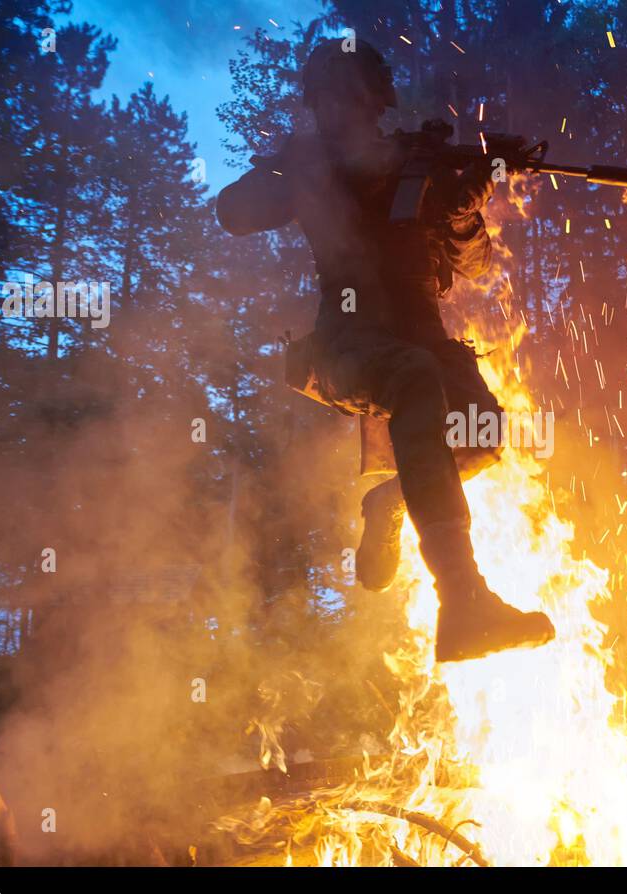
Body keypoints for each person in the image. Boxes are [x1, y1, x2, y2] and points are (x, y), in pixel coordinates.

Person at [216, 38, 554, 662]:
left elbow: (473, 265)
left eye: (352, 99)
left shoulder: (419, 167)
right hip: (349, 342)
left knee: (482, 437)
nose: (340, 112)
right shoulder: (310, 167)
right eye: (329, 101)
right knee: (417, 376)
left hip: (424, 340)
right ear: (316, 105)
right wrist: (296, 169)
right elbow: (232, 211)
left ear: (374, 101)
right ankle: (464, 600)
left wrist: (464, 206)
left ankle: (390, 499)